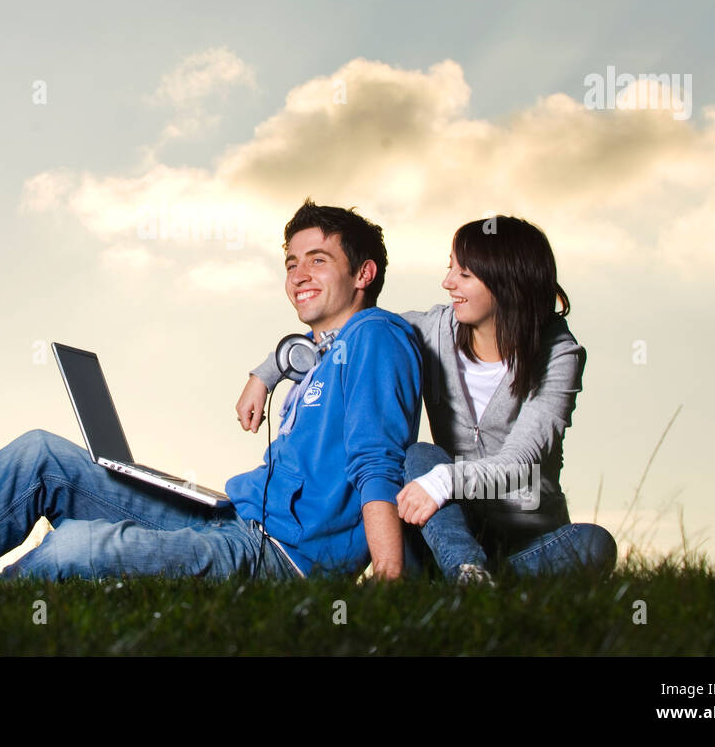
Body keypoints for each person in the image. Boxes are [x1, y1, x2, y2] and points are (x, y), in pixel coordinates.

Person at [0, 199, 423, 582]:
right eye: (291, 262)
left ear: (363, 273)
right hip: (230, 519)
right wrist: (269, 368)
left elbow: (376, 461)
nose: (298, 273)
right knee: (41, 452)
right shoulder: (314, 358)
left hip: (277, 560)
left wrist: (385, 583)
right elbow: (301, 367)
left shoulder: (376, 339)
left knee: (76, 550)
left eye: (319, 260)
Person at [237, 215, 616, 583]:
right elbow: (348, 332)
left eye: (464, 274)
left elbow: (519, 464)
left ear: (507, 282)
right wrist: (266, 374)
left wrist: (442, 482)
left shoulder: (559, 354)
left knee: (596, 544)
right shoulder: (434, 327)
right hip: (442, 529)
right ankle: (466, 574)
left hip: (525, 535)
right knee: (420, 455)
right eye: (450, 268)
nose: (447, 282)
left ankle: (472, 581)